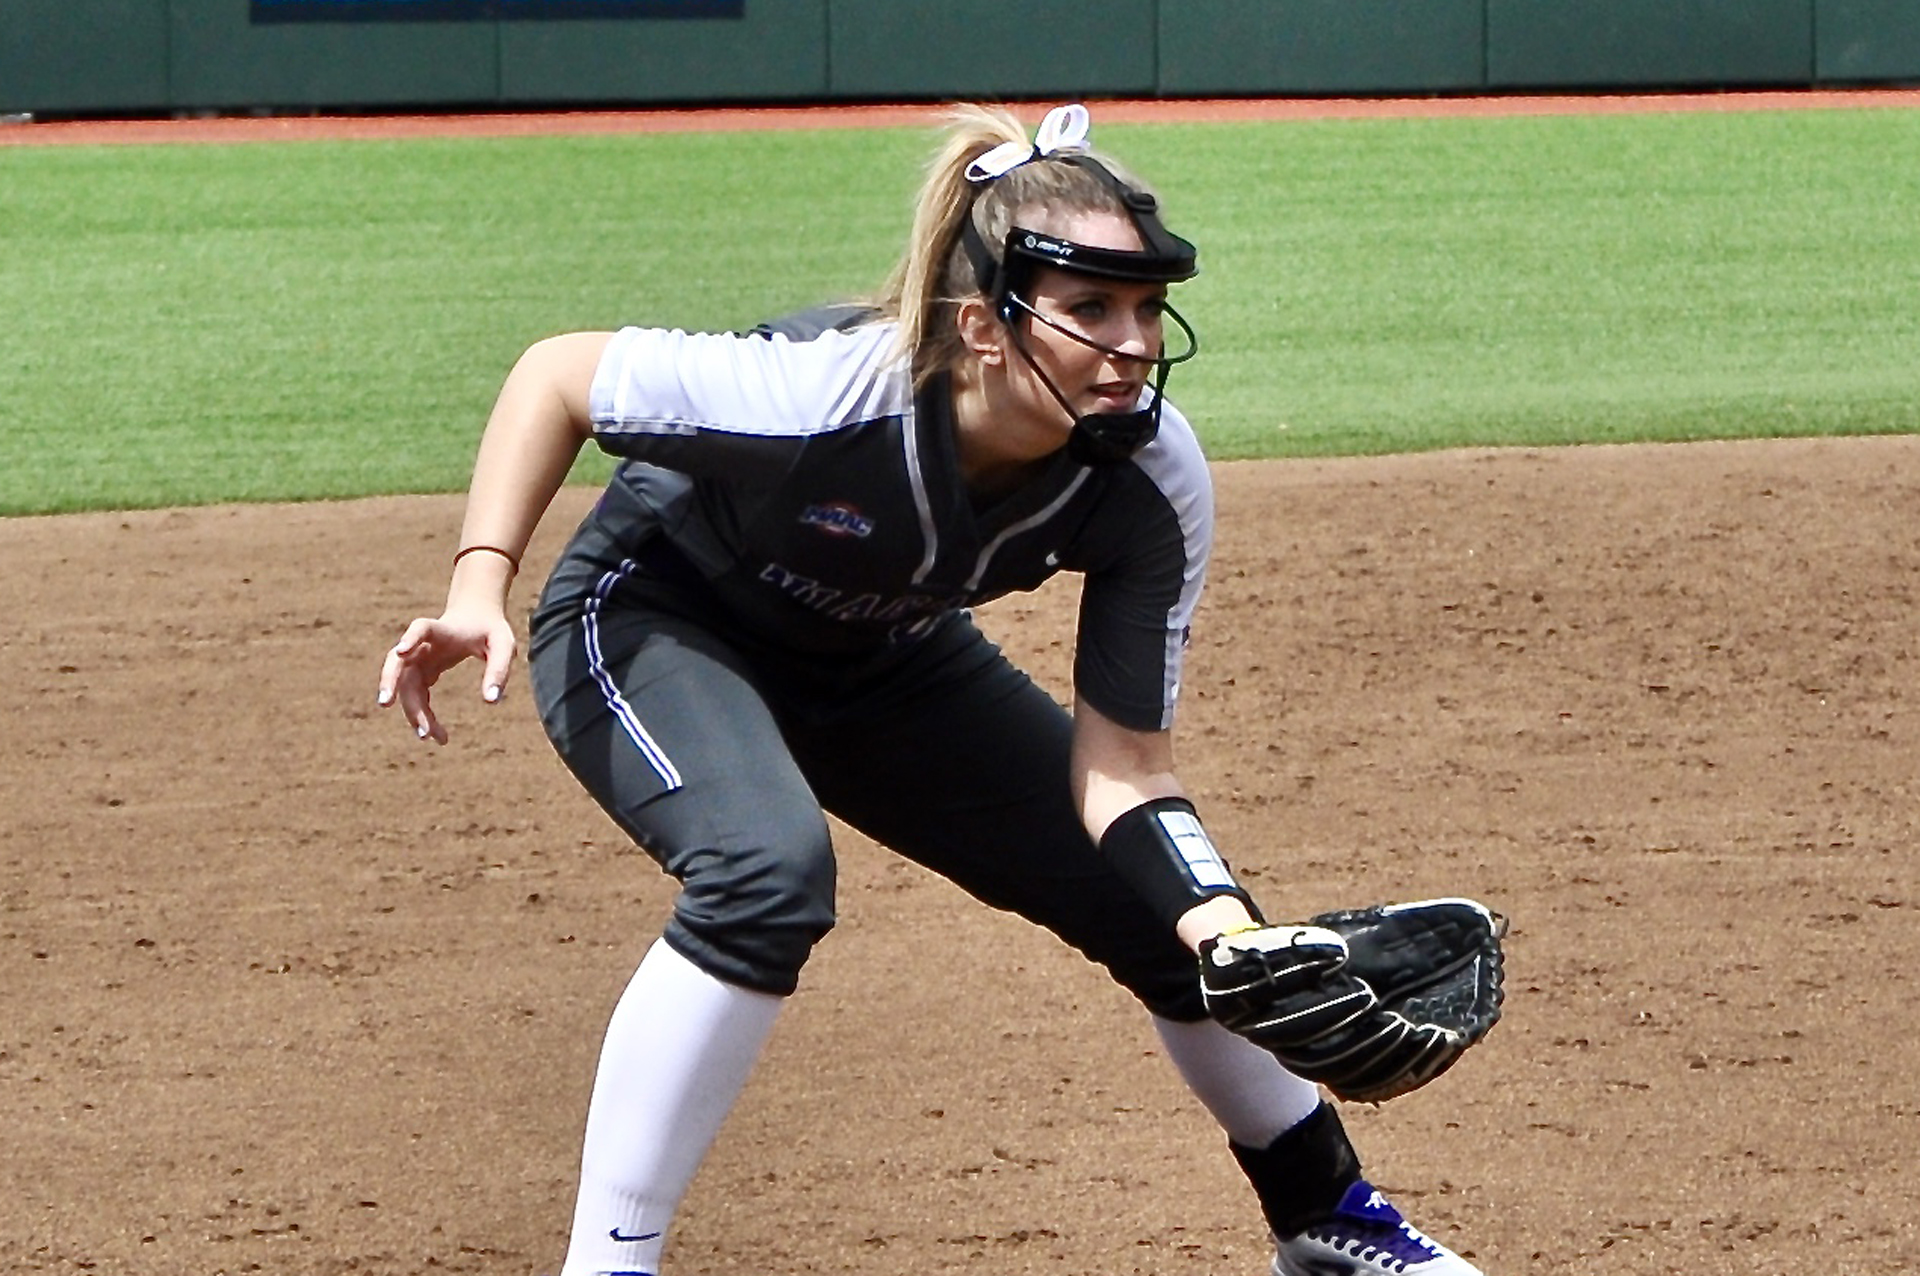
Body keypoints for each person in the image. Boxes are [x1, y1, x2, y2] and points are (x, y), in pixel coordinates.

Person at [377, 102, 1487, 1276]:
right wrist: (479, 582)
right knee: (767, 874)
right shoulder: (832, 397)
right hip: (659, 614)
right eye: (1091, 309)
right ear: (984, 325)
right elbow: (557, 376)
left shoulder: (1150, 477)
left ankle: (1327, 1218)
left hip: (881, 658)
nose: (1135, 343)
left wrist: (1224, 929)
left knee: (1159, 908)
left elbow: (1125, 768)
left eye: (1148, 307)